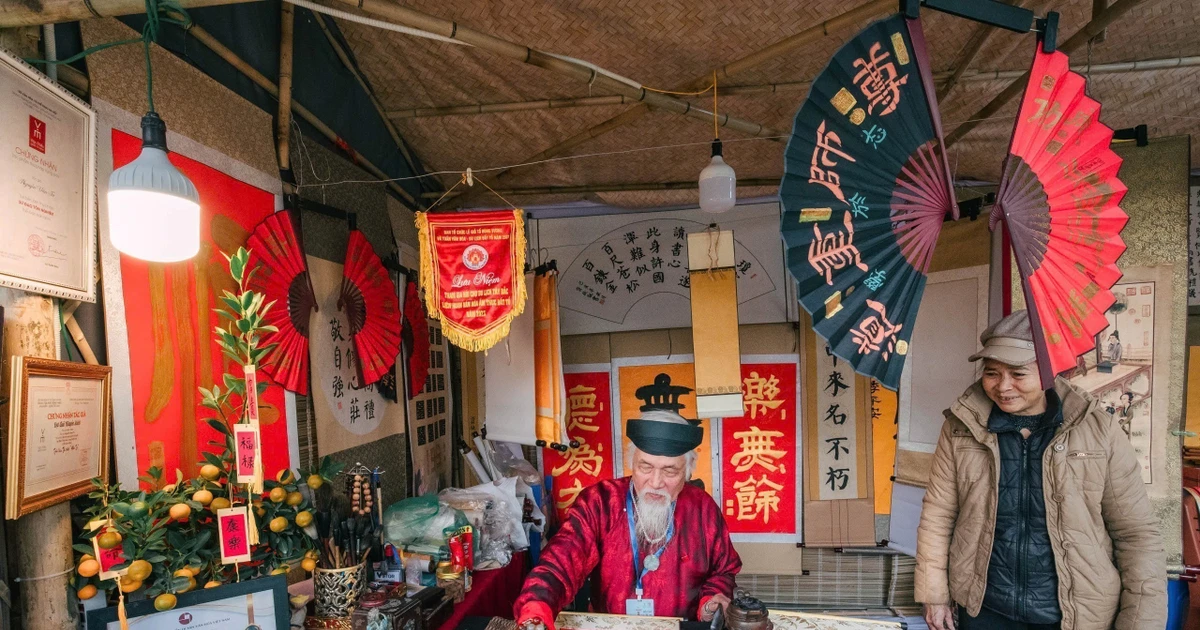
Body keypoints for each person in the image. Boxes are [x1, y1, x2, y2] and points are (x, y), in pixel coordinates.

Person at [915, 310, 1165, 630]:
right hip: (986, 609)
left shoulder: (1097, 429)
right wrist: (934, 595)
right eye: (992, 373)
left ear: (1049, 372)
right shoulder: (961, 427)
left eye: (1018, 374)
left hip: (1075, 614)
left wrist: (1140, 622)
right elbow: (938, 515)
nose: (1003, 386)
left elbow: (1137, 533)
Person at [513, 410, 741, 630]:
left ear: (688, 471)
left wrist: (712, 600)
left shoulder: (702, 509)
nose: (655, 481)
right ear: (632, 462)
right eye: (645, 467)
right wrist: (537, 605)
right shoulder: (600, 502)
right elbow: (562, 559)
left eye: (670, 471)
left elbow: (722, 571)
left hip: (682, 626)